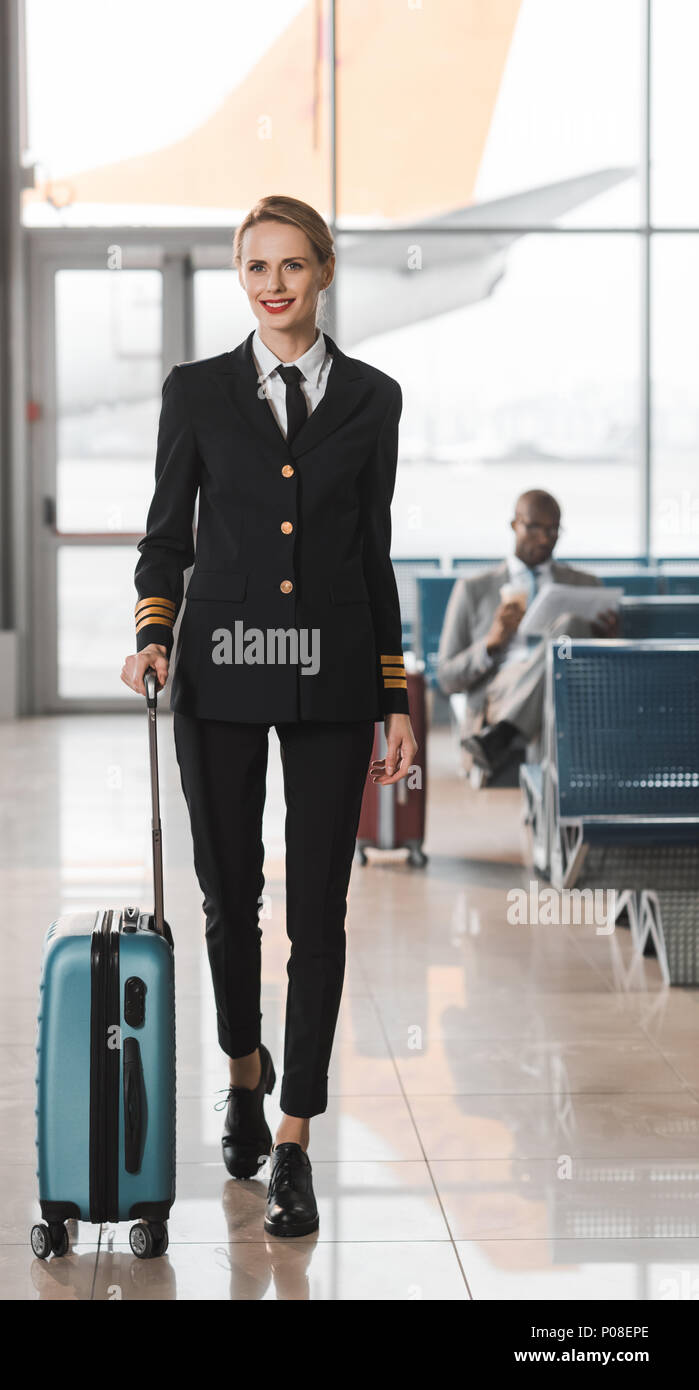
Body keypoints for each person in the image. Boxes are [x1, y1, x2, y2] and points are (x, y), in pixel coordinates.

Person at [121, 195, 417, 1238]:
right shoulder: (197, 392)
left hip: (335, 677)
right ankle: (243, 1071)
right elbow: (166, 537)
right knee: (228, 897)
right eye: (257, 267)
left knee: (319, 913)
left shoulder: (374, 399)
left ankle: (292, 1135)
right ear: (241, 277)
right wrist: (155, 628)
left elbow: (372, 554)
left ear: (323, 271)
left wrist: (394, 693)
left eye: (293, 265)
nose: (275, 284)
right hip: (223, 673)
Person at [437, 490, 619, 776]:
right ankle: (562, 802)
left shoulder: (586, 584)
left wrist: (607, 641)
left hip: (569, 687)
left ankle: (506, 733)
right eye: (535, 527)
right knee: (556, 692)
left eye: (553, 529)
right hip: (501, 690)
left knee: (567, 635)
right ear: (515, 525)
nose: (546, 538)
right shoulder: (474, 589)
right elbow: (446, 678)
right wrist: (490, 644)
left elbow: (607, 664)